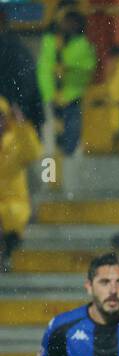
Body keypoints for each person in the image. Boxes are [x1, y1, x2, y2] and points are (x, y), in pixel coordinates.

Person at [37, 8, 96, 163]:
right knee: (50, 138)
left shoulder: (83, 44)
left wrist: (67, 69)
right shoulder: (50, 41)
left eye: (72, 21)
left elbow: (87, 69)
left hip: (72, 98)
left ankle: (67, 168)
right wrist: (49, 94)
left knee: (72, 135)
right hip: (51, 99)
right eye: (66, 21)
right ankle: (51, 174)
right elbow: (44, 69)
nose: (69, 25)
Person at [0, 97, 42, 272]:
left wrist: (23, 127)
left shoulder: (17, 138)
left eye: (1, 116)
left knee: (10, 218)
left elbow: (34, 153)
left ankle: (6, 256)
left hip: (14, 202)